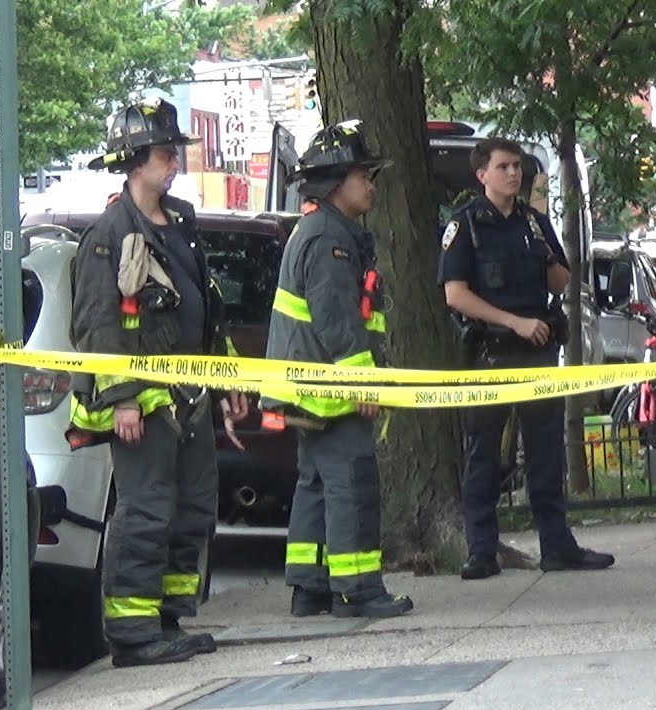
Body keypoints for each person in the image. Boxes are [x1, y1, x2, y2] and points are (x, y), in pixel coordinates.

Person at [68, 98, 249, 666]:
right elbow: (97, 326)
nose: (175, 163)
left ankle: (168, 621)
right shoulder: (110, 234)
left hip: (192, 397)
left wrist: (226, 379)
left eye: (175, 152)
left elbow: (204, 310)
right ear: (136, 160)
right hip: (144, 407)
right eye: (166, 153)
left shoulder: (182, 225)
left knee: (192, 509)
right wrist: (122, 397)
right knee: (145, 511)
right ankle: (132, 633)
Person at [439, 137, 614, 580]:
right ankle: (481, 550)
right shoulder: (466, 226)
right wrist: (512, 321)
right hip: (491, 353)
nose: (514, 174)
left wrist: (549, 254)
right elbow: (456, 295)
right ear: (482, 175)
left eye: (518, 166)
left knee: (545, 454)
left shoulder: (533, 223)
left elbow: (560, 280)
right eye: (504, 167)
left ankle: (557, 545)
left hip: (537, 351)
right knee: (483, 454)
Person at [261, 120, 413, 619]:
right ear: (334, 182)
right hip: (331, 388)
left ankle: (311, 587)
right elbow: (336, 320)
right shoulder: (329, 239)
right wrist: (361, 378)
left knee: (317, 485)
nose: (371, 184)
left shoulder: (322, 231)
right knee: (351, 483)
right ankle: (357, 588)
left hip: (308, 389)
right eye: (363, 174)